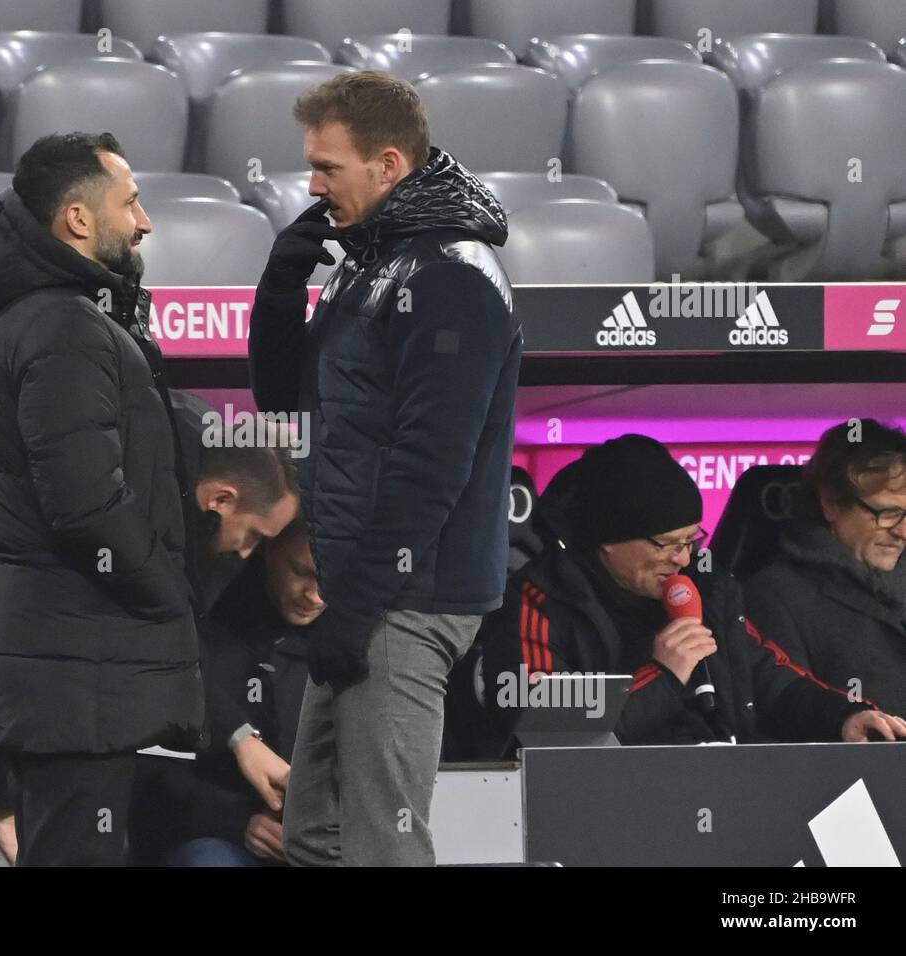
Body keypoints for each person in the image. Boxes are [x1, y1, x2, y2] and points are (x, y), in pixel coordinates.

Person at [0, 132, 298, 866]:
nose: (145, 222)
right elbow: (84, 508)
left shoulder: (61, 318)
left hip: (72, 665)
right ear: (78, 219)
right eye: (130, 202)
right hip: (75, 668)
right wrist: (165, 594)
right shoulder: (63, 326)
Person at [247, 71, 521, 866]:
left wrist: (357, 605)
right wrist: (282, 282)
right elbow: (283, 398)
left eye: (328, 167)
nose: (312, 184)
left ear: (389, 164)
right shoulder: (372, 262)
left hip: (409, 596)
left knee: (381, 840)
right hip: (370, 589)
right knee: (315, 835)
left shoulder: (454, 277)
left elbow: (431, 463)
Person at [480, 435, 906, 746]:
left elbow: (770, 675)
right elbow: (543, 723)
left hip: (720, 799)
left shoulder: (703, 592)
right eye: (666, 544)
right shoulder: (538, 600)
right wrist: (662, 674)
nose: (682, 559)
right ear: (608, 539)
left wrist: (846, 716)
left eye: (690, 541)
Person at [130, 517, 320, 866]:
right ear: (270, 549)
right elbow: (144, 774)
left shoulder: (349, 651)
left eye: (330, 580)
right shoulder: (203, 634)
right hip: (218, 837)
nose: (317, 595)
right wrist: (239, 822)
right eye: (301, 571)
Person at [747, 419, 906, 716]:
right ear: (831, 503)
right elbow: (788, 715)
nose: (903, 532)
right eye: (887, 513)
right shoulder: (776, 596)